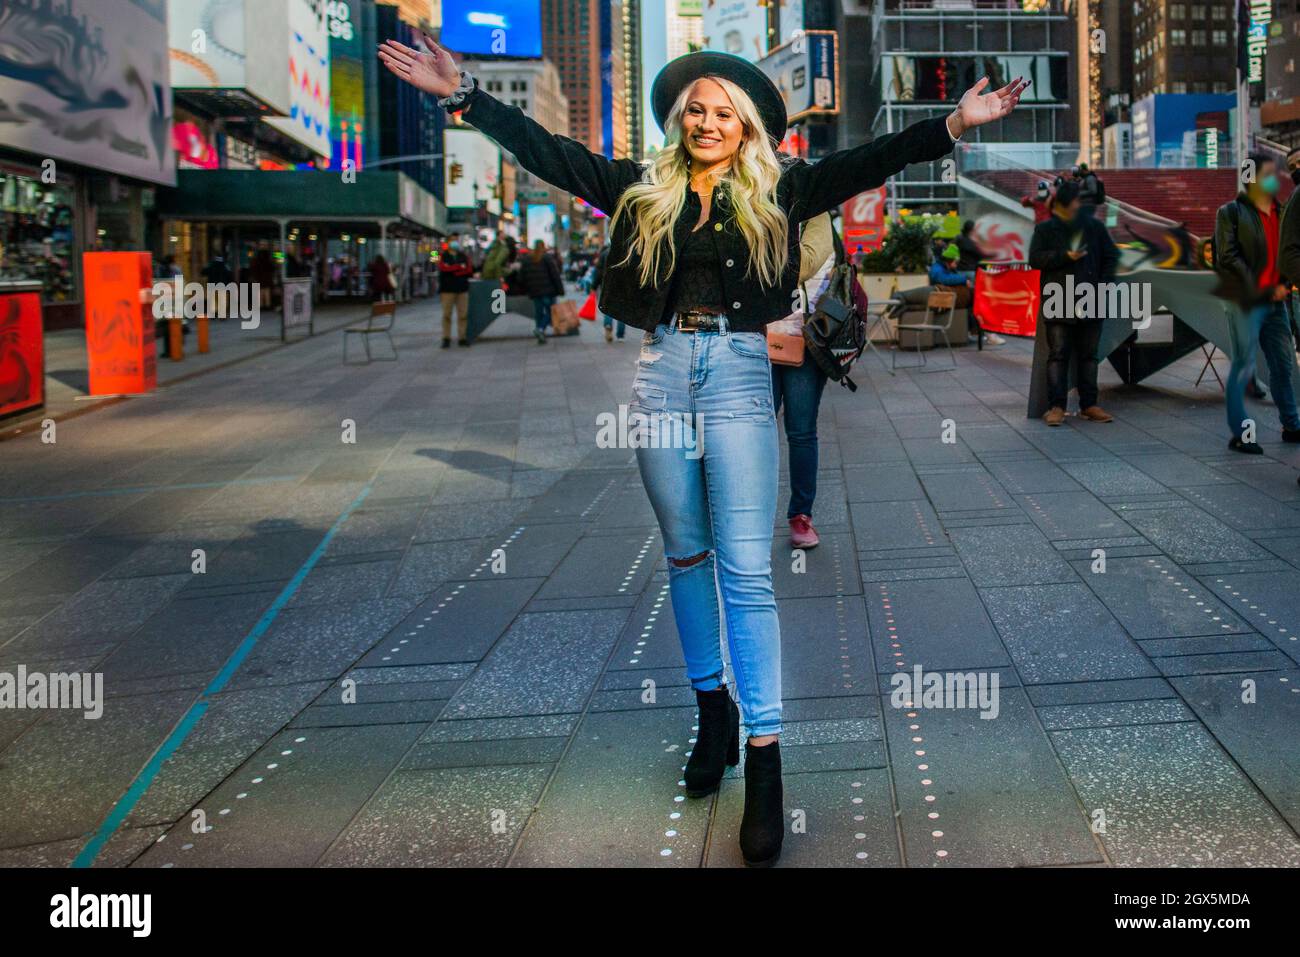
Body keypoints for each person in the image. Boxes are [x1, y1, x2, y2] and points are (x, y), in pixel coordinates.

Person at [380, 33, 1026, 867]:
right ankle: (710, 710)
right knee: (685, 558)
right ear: (680, 119)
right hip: (662, 376)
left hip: (737, 374)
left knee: (745, 575)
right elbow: (551, 154)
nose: (707, 120)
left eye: (724, 111)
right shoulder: (642, 189)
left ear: (749, 125)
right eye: (697, 109)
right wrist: (464, 94)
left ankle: (764, 758)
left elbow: (868, 162)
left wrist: (952, 124)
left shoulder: (784, 190)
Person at [1218, 153, 1300, 453]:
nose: (1274, 179)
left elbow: (1288, 254)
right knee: (1244, 367)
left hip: (1276, 303)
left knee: (1283, 364)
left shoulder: (1282, 211)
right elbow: (1228, 256)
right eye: (1267, 174)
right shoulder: (1231, 213)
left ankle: (1292, 424)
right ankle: (1242, 434)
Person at [1029, 180, 1119, 426]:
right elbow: (1035, 259)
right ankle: (1056, 406)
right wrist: (1064, 256)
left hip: (1091, 299)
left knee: (1089, 356)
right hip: (1059, 299)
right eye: (1077, 201)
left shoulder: (1095, 228)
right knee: (1058, 355)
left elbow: (1111, 257)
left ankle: (1089, 405)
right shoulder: (1046, 229)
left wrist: (1104, 285)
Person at [771, 211, 834, 550]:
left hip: (804, 341)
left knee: (800, 431)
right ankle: (744, 516)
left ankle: (800, 516)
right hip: (750, 340)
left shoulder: (815, 211)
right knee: (749, 431)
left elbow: (806, 264)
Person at [517, 239, 565, 344]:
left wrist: (527, 287)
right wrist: (560, 290)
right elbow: (555, 275)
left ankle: (540, 333)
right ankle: (540, 329)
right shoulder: (547, 258)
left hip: (534, 291)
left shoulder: (527, 259)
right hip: (548, 291)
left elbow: (521, 277)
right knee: (551, 312)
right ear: (543, 246)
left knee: (538, 312)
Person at [438, 237, 474, 348]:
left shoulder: (463, 255)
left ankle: (462, 338)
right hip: (447, 290)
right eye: (452, 240)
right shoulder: (441, 255)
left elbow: (468, 270)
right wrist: (459, 268)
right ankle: (446, 338)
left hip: (462, 289)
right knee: (446, 315)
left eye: (456, 240)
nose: (455, 243)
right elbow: (442, 268)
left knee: (463, 314)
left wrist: (453, 270)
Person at [591, 241, 624, 342]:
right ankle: (620, 335)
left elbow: (599, 272)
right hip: (621, 286)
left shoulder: (604, 254)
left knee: (608, 308)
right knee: (621, 310)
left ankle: (608, 325)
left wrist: (594, 286)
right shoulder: (624, 253)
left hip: (607, 285)